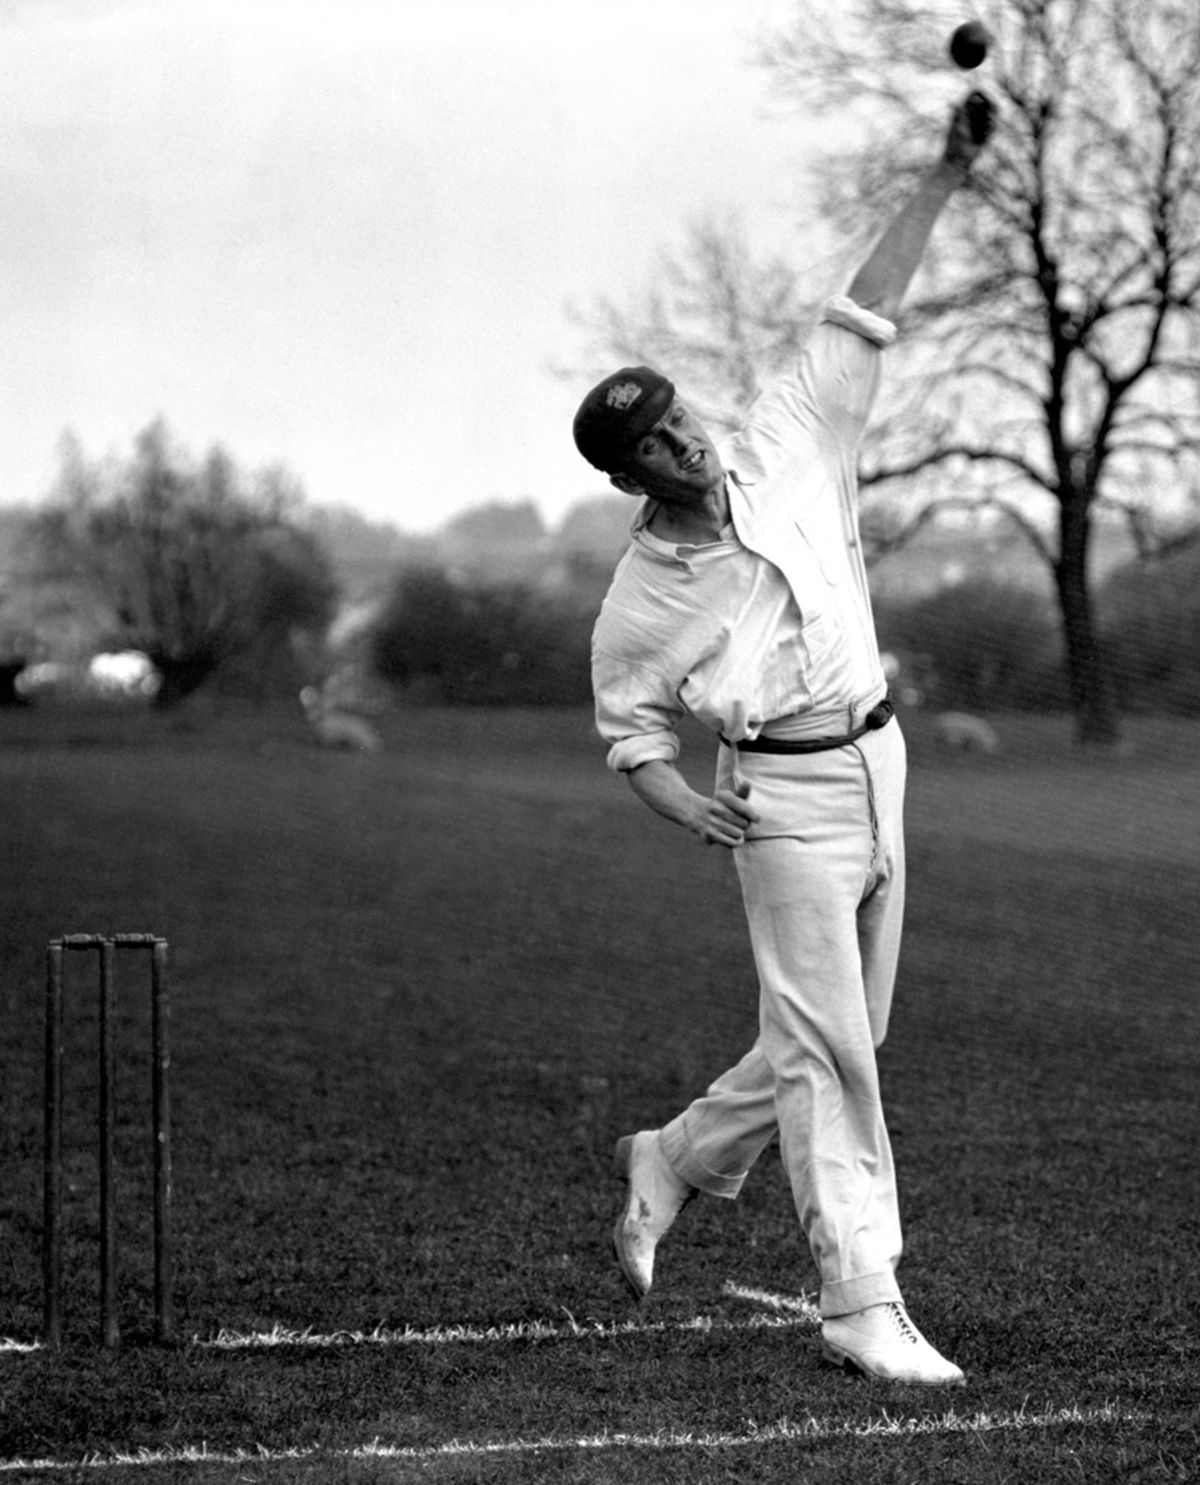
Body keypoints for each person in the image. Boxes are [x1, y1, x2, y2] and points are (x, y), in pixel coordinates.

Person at [573, 92, 995, 1387]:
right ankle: (861, 1299)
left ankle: (680, 1156)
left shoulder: (790, 435)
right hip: (782, 802)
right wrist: (680, 806)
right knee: (827, 1056)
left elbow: (860, 304)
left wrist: (942, 170)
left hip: (882, 760)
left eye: (679, 416)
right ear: (628, 473)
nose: (683, 439)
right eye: (652, 441)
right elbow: (630, 729)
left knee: (848, 1029)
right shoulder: (642, 599)